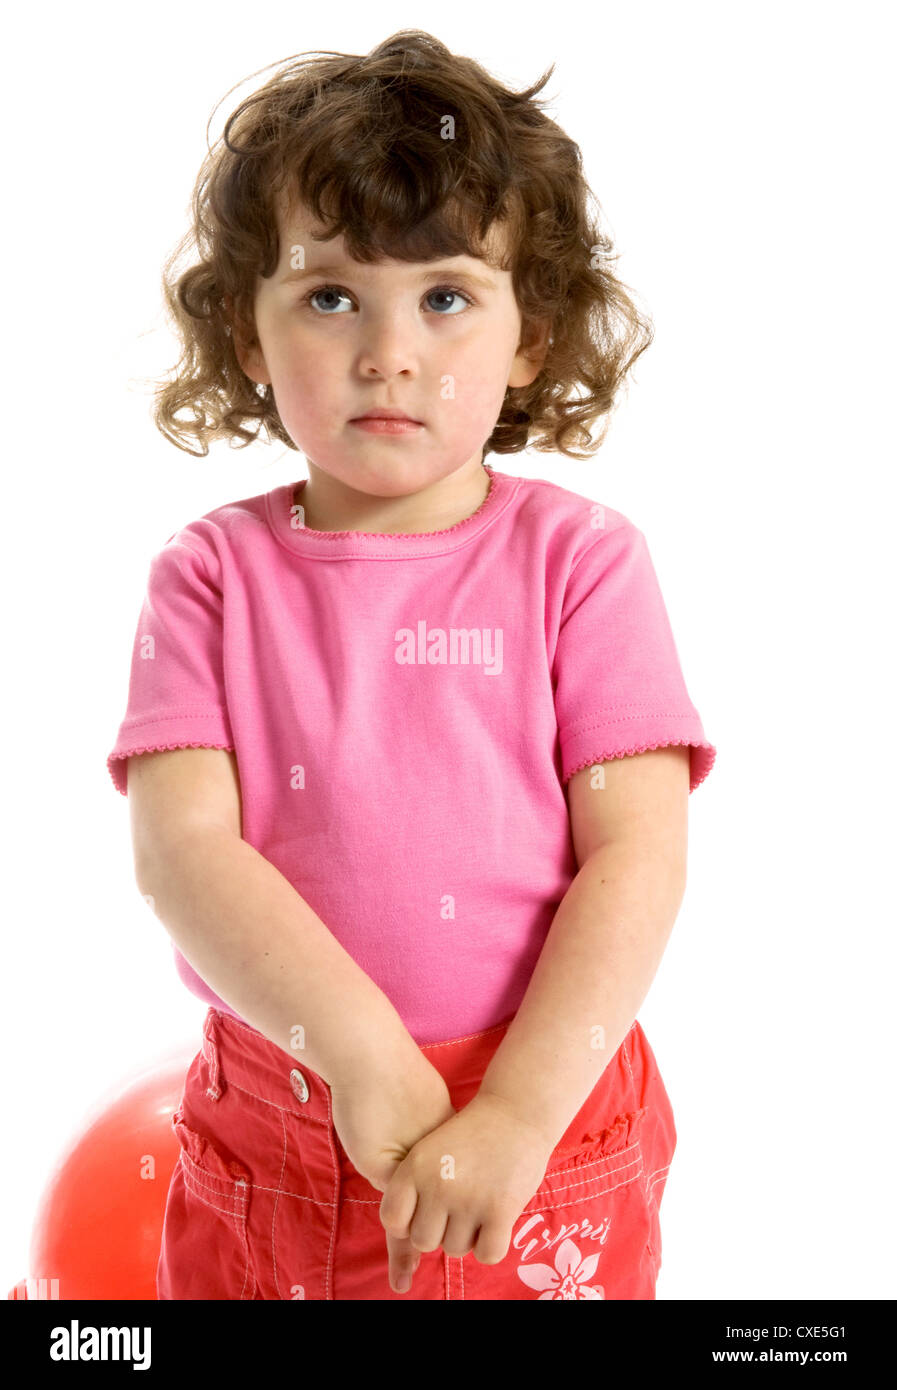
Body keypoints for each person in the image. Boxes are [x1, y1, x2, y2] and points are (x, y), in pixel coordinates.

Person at [107, 29, 717, 1301]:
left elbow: (637, 855)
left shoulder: (584, 564)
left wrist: (519, 1112)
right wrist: (363, 1056)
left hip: (547, 1121)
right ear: (249, 336)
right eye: (330, 296)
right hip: (283, 1120)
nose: (389, 351)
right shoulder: (209, 574)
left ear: (531, 337)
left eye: (445, 296)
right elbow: (183, 855)